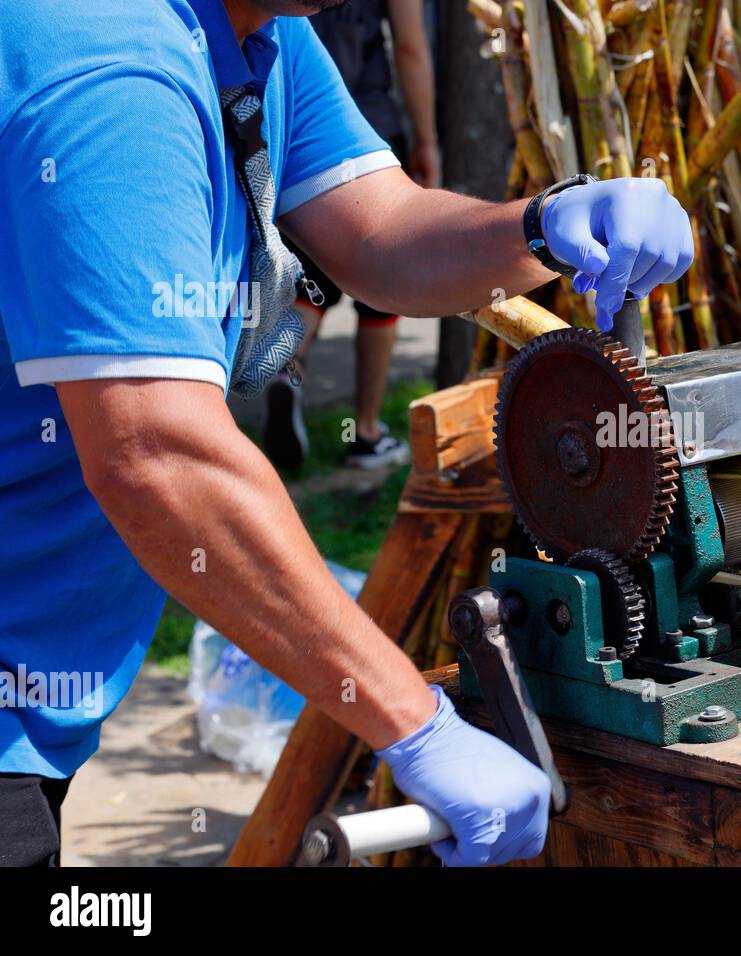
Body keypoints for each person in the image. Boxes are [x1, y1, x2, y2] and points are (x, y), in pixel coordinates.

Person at [0, 0, 694, 867]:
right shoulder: (109, 70)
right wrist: (415, 725)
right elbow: (158, 456)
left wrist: (545, 227)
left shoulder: (263, 31)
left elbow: (379, 234)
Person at [265, 0, 438, 471]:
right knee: (382, 287)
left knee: (313, 279)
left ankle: (287, 367)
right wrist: (426, 139)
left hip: (300, 127)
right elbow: (410, 46)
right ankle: (365, 432)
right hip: (367, 129)